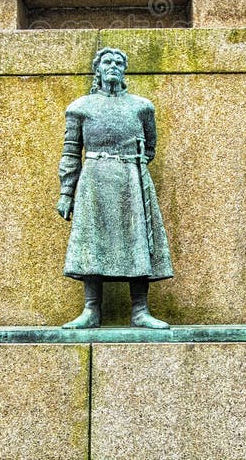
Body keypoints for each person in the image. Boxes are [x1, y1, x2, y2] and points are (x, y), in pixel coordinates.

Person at [56, 47, 173, 329]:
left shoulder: (141, 107)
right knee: (91, 241)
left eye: (119, 62)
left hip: (131, 180)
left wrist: (129, 167)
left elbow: (151, 146)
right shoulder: (80, 107)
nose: (113, 66)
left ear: (125, 70)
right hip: (93, 180)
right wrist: (66, 192)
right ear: (97, 69)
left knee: (138, 238)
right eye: (107, 62)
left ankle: (140, 310)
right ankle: (91, 310)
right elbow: (71, 152)